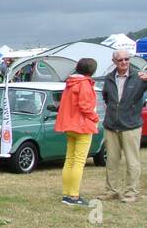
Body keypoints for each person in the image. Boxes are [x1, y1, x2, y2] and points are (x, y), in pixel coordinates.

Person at [100, 50, 147, 203]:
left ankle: (131, 193)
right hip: (111, 126)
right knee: (112, 161)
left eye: (127, 59)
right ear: (114, 61)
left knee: (132, 161)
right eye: (120, 60)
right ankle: (111, 191)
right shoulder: (108, 78)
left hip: (131, 126)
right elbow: (106, 98)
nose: (124, 62)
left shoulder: (140, 78)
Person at [54, 57, 100, 207]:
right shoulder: (85, 84)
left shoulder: (70, 83)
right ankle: (74, 196)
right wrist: (95, 118)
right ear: (92, 71)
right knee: (79, 162)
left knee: (69, 160)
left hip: (70, 125)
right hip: (82, 126)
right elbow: (86, 106)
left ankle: (67, 193)